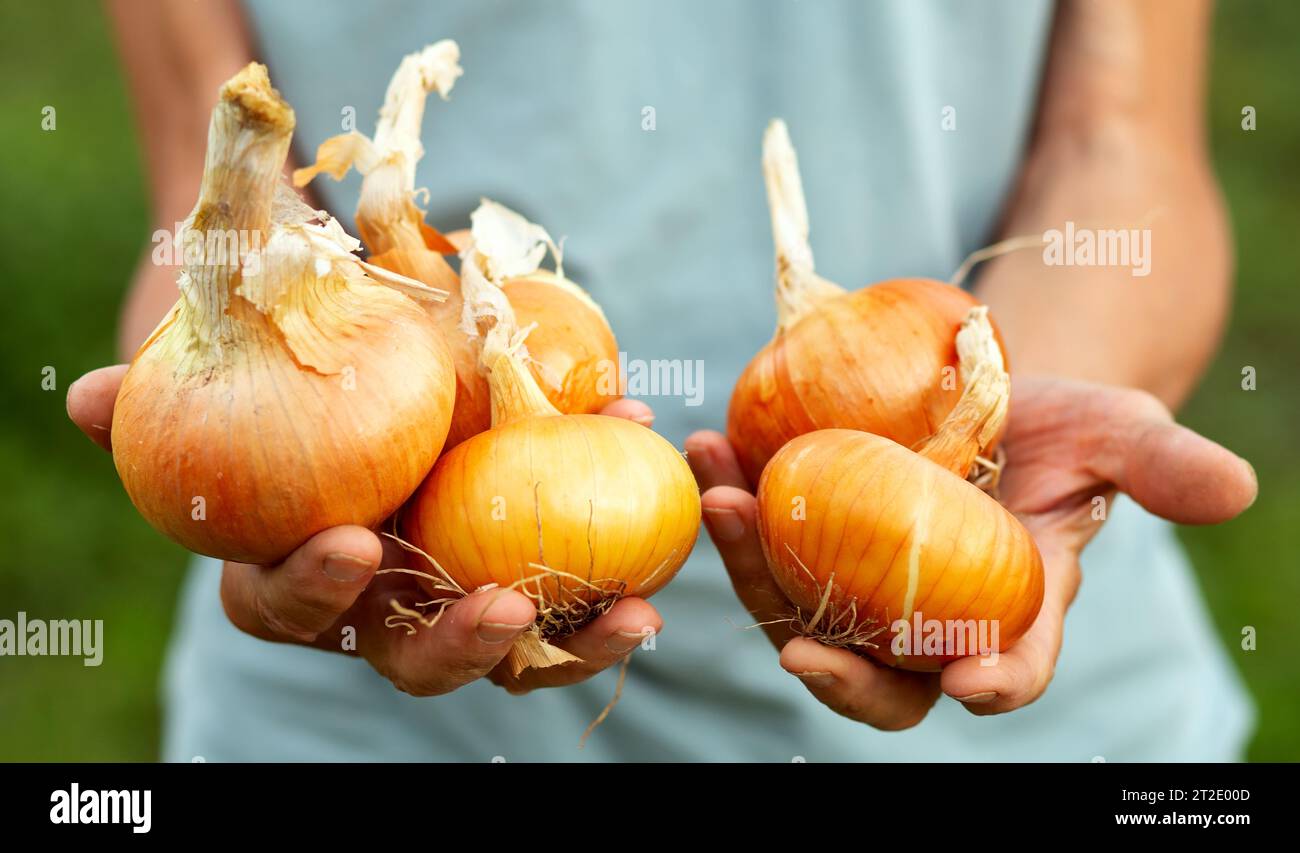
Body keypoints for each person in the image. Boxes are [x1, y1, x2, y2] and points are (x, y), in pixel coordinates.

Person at [67, 0, 1258, 760]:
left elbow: (1121, 141)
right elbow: (213, 168)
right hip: (364, 683)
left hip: (1033, 718)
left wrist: (1004, 426)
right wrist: (247, 472)